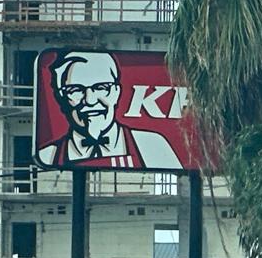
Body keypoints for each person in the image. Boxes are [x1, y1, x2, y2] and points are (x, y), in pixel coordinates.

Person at [37, 50, 184, 170]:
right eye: (75, 90)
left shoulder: (151, 145)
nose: (90, 100)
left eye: (101, 88)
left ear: (116, 92)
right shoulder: (48, 156)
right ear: (62, 97)